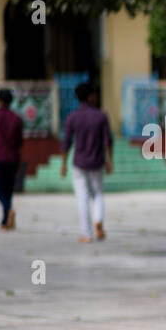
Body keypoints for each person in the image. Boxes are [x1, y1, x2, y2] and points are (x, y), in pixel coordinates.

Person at [60, 83, 113, 243]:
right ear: (90, 96)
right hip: (97, 161)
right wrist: (110, 160)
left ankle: (87, 233)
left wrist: (63, 164)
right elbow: (107, 142)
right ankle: (98, 222)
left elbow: (66, 143)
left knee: (82, 197)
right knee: (97, 194)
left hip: (79, 163)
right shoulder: (101, 116)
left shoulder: (72, 117)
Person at [0, 89, 24, 231]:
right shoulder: (16, 118)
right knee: (9, 190)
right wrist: (20, 161)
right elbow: (19, 143)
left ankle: (7, 210)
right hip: (12, 157)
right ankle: (5, 222)